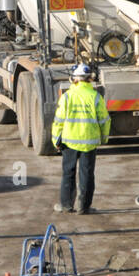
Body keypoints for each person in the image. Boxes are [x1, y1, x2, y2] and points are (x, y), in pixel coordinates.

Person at [51, 63, 111, 214]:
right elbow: (104, 120)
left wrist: (56, 141)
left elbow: (59, 121)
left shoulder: (67, 97)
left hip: (69, 142)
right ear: (89, 79)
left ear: (74, 79)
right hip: (89, 143)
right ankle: (83, 207)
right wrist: (103, 138)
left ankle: (66, 205)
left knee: (68, 174)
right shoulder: (96, 97)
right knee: (87, 175)